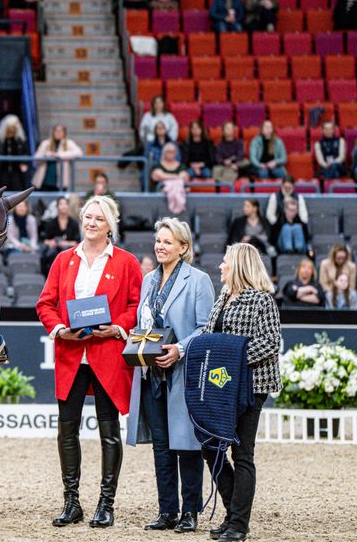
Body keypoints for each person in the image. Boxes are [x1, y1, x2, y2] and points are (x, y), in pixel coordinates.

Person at [37, 196, 142, 529]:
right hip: (71, 355)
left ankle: (106, 504)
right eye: (87, 217)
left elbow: (135, 305)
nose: (91, 223)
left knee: (109, 432)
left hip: (107, 355)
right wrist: (58, 329)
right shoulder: (63, 260)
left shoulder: (127, 262)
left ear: (110, 224)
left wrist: (119, 327)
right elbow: (46, 303)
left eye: (98, 218)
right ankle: (72, 503)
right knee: (67, 431)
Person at [127, 218, 214, 534]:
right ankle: (167, 511)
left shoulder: (198, 280)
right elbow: (144, 324)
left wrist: (179, 348)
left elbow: (206, 328)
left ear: (183, 247)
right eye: (158, 241)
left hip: (183, 373)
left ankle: (190, 511)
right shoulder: (148, 280)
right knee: (161, 446)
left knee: (186, 444)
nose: (160, 246)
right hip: (151, 374)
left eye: (167, 241)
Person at [200, 243, 281, 542]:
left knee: (242, 453)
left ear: (239, 266)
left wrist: (233, 359)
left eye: (225, 262)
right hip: (222, 387)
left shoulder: (262, 300)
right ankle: (233, 513)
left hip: (252, 386)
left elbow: (271, 342)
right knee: (210, 447)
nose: (220, 266)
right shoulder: (222, 298)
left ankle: (238, 524)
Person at [0, 114, 29, 191]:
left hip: (17, 173)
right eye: (10, 128)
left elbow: (26, 154)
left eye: (13, 128)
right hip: (1, 173)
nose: (11, 131)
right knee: (0, 194)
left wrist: (24, 163)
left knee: (18, 194)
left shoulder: (20, 140)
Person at [33, 125, 83, 191]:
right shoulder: (45, 143)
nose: (58, 133)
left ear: (64, 133)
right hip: (44, 179)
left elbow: (79, 152)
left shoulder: (68, 143)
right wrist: (45, 155)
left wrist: (59, 155)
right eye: (56, 131)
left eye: (61, 131)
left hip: (60, 181)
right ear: (53, 132)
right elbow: (36, 158)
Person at [39, 196, 80, 275]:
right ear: (57, 207)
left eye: (65, 204)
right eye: (61, 204)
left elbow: (77, 241)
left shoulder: (74, 223)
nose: (64, 206)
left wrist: (66, 243)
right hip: (54, 251)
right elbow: (45, 240)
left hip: (69, 251)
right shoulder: (51, 223)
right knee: (51, 256)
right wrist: (52, 242)